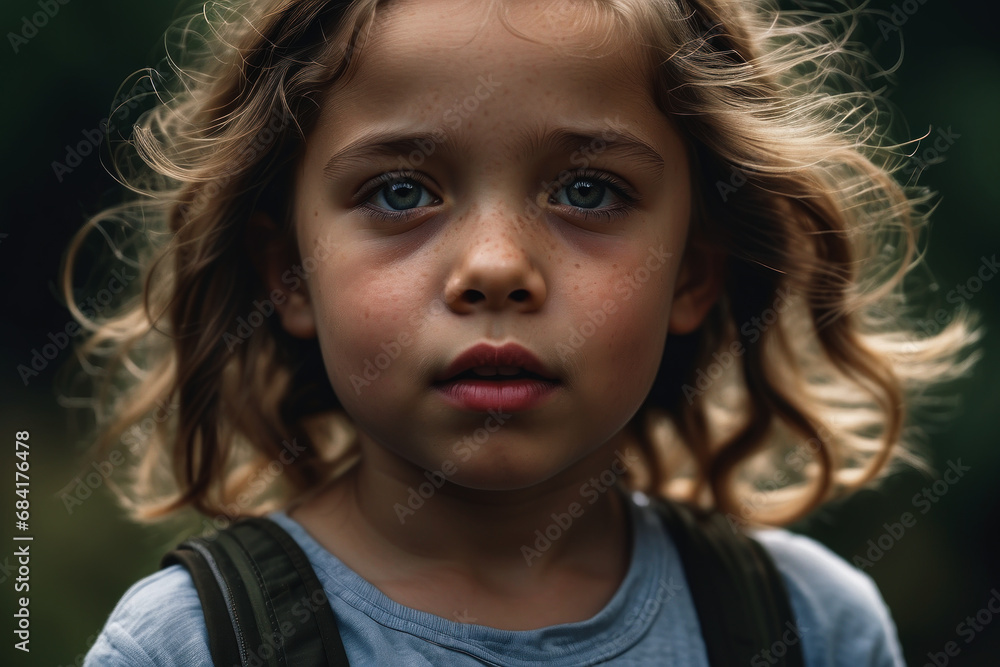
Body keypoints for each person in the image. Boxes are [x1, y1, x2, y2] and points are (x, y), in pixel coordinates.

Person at [69, 0, 977, 664]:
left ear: (691, 272)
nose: (497, 266)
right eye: (400, 192)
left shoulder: (810, 626)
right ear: (290, 276)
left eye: (588, 191)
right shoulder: (186, 645)